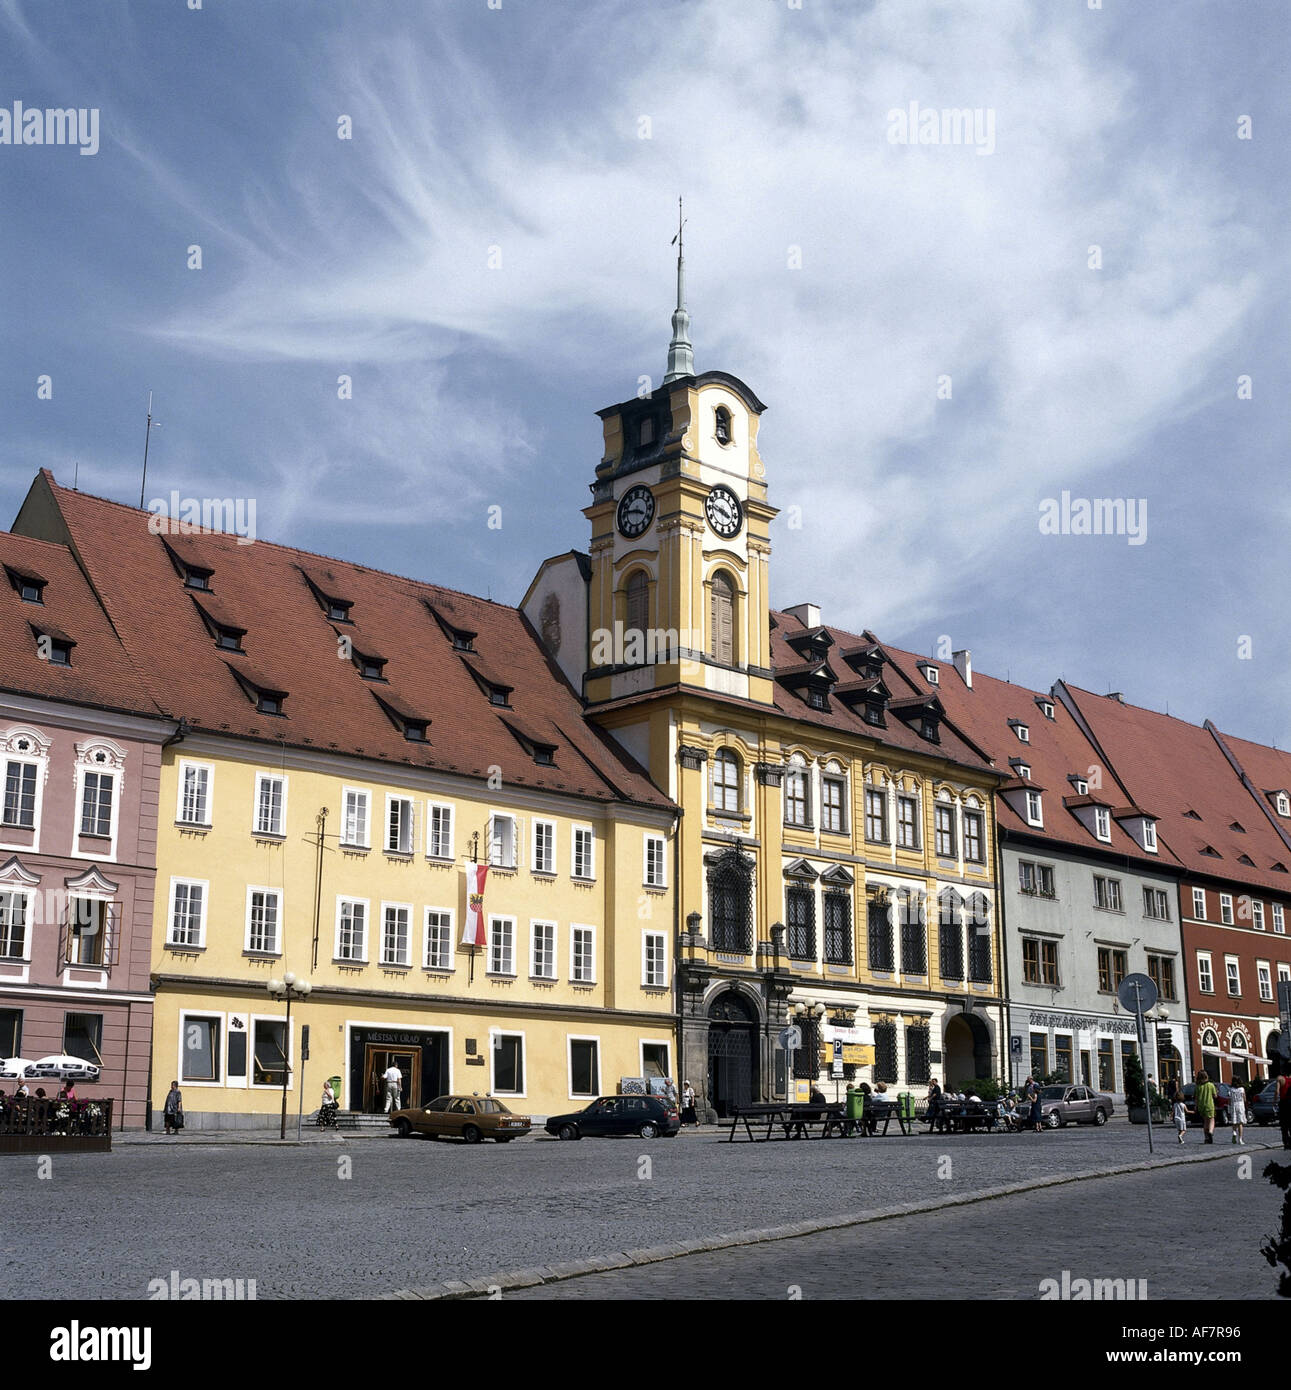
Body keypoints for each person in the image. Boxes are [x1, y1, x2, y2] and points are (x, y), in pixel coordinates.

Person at [1193, 1069, 1217, 1144]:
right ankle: (1210, 1132)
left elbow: (1196, 1098)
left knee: (1205, 1122)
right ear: (1206, 1076)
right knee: (1212, 1119)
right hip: (1209, 1105)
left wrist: (1196, 1106)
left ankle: (1206, 1138)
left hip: (1201, 1106)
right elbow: (1215, 1096)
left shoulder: (1198, 1087)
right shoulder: (1210, 1085)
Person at [1169, 1077, 1188, 1144]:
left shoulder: (1174, 1104)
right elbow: (1187, 1111)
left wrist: (1171, 1116)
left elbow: (1173, 1111)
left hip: (1176, 1118)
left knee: (1179, 1129)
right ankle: (1180, 1136)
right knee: (1184, 1130)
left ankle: (1180, 1140)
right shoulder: (1183, 1104)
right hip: (1182, 1119)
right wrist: (1193, 1112)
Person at [1229, 1079, 1248, 1145]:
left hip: (1233, 1106)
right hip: (1240, 1106)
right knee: (1240, 1122)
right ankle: (1240, 1139)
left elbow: (1229, 1100)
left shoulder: (1231, 1090)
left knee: (1234, 1121)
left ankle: (1234, 1132)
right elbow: (1244, 1099)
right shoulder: (1242, 1089)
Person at [1278, 1072, 1291, 1151]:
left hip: (1283, 1104)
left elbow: (1277, 1091)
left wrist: (1275, 1100)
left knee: (1284, 1125)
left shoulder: (1280, 1079)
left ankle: (1286, 1143)